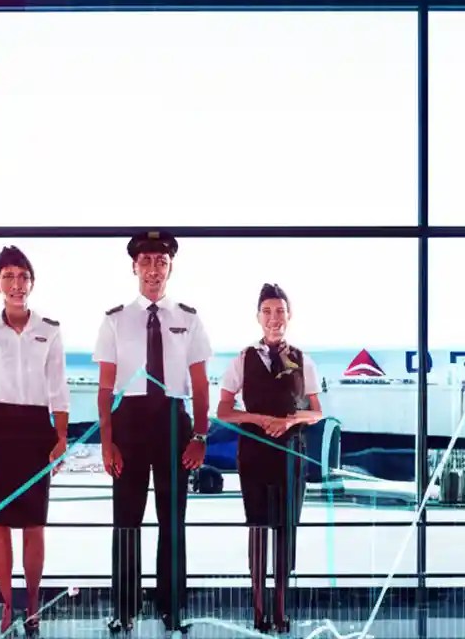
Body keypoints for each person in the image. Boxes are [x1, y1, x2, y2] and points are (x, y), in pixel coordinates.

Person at [94, 230, 212, 634]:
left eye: (161, 262)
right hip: (128, 424)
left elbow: (200, 385)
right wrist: (106, 443)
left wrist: (200, 436)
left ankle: (171, 607)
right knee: (126, 519)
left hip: (173, 425)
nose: (153, 269)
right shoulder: (115, 320)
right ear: (134, 267)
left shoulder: (189, 319)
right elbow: (105, 388)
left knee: (172, 520)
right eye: (146, 261)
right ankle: (125, 609)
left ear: (170, 268)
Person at [0, 246, 70, 636]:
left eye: (22, 276)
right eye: (8, 276)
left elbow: (59, 391)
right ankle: (7, 605)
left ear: (32, 283)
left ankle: (33, 604)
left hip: (35, 430)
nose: (16, 284)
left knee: (34, 523)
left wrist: (61, 437)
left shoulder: (50, 331)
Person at [216, 283, 324, 633]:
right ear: (258, 317)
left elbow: (315, 412)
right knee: (258, 528)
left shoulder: (303, 360)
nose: (274, 318)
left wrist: (288, 421)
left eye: (280, 311)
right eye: (268, 312)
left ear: (289, 316)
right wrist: (260, 419)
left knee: (285, 530)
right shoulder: (242, 359)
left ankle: (281, 611)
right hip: (254, 455)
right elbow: (223, 410)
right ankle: (258, 611)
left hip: (291, 454)